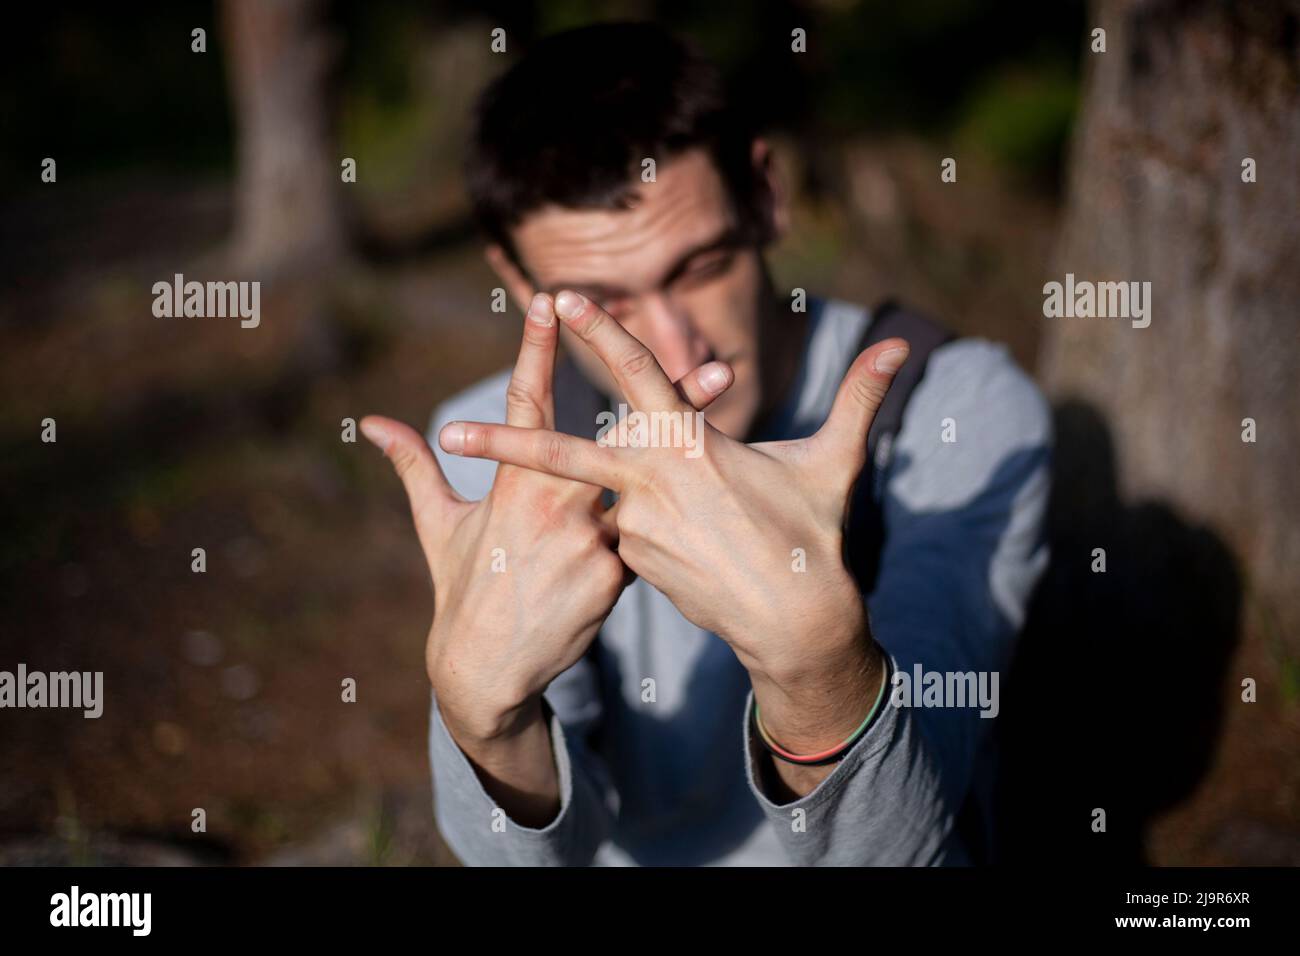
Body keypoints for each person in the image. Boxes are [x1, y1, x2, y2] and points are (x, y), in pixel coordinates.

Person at [359, 22, 1052, 865]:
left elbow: (904, 843)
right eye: (599, 304)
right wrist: (487, 725)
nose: (674, 348)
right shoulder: (500, 453)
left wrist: (818, 674)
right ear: (515, 281)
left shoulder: (954, 407)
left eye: (701, 268)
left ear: (764, 194)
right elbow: (529, 860)